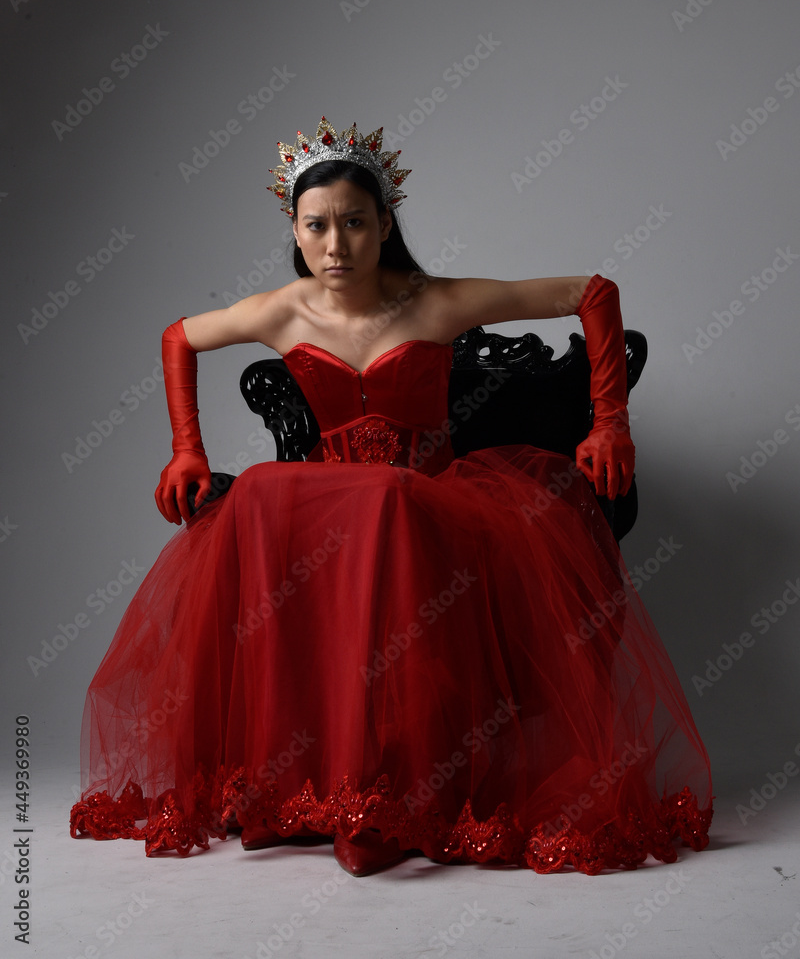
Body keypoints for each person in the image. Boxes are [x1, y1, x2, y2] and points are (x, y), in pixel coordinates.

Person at [70, 116, 713, 876]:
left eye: (354, 224)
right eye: (318, 227)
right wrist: (187, 449)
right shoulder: (283, 310)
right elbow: (180, 335)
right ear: (296, 230)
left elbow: (592, 292)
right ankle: (288, 789)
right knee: (262, 492)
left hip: (430, 503)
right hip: (328, 514)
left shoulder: (434, 301)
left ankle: (385, 802)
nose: (336, 245)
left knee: (387, 504)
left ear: (383, 226)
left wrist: (611, 424)